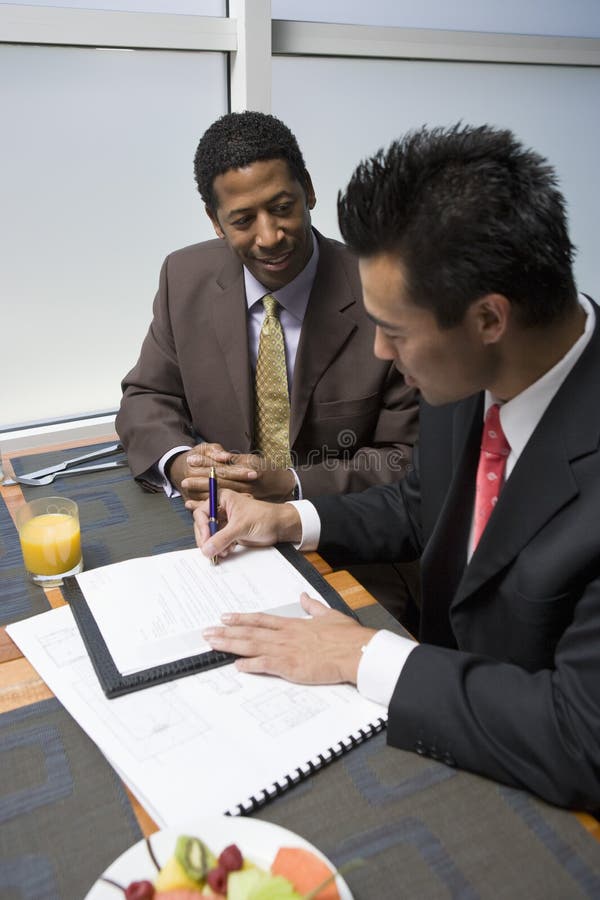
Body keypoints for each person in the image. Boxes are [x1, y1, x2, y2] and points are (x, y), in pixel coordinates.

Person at [193, 123, 600, 811]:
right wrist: (287, 518)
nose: (380, 352)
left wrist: (360, 655)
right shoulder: (469, 370)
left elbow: (580, 736)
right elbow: (422, 504)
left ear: (489, 319)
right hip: (433, 718)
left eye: (395, 331)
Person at [116, 111, 418, 505]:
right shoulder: (184, 277)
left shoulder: (384, 292)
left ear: (308, 190)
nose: (269, 237)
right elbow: (146, 396)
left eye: (282, 208)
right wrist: (180, 463)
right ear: (216, 221)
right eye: (243, 220)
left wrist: (291, 483)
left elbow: (407, 456)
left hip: (339, 525)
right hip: (217, 515)